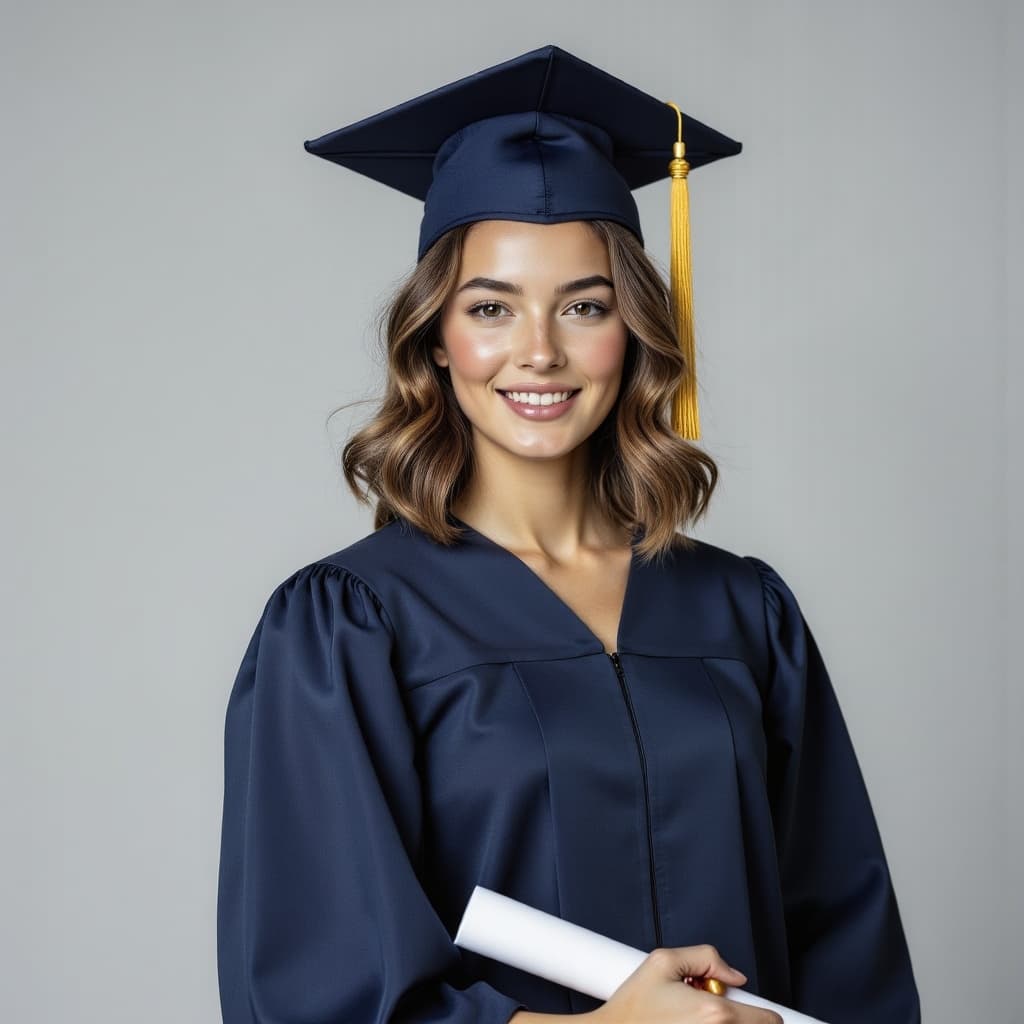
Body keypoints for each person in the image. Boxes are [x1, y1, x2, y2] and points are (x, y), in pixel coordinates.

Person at [216, 45, 921, 1024]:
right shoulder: (347, 629)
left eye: (583, 305)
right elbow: (315, 989)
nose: (538, 349)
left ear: (632, 328)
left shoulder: (743, 609)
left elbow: (848, 947)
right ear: (436, 338)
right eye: (490, 306)